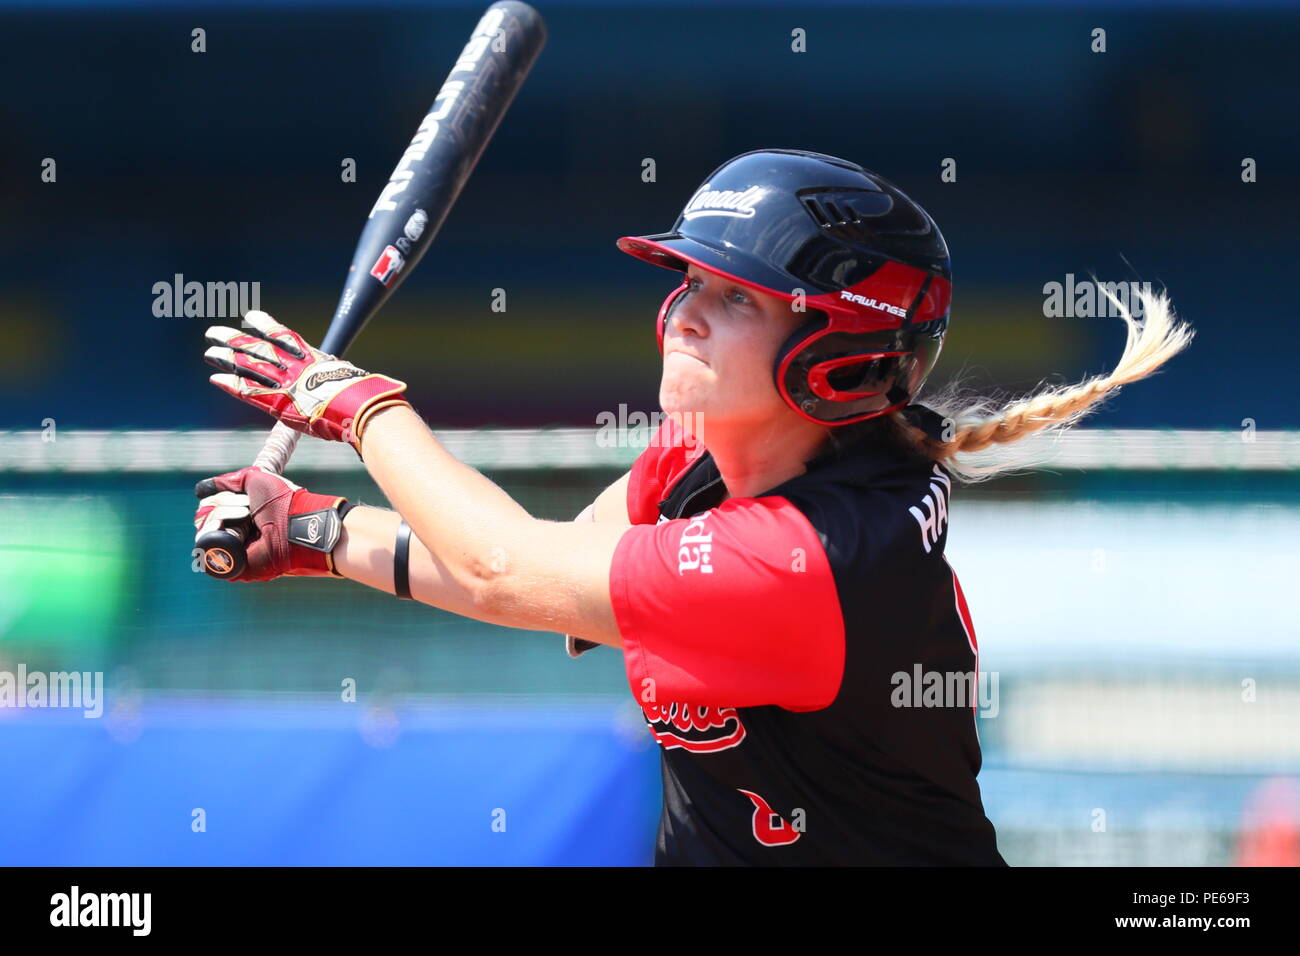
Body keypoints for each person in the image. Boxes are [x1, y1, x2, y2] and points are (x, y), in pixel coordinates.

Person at [194, 148, 1193, 865]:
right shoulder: (701, 456)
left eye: (738, 299)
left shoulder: (807, 555)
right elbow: (542, 563)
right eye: (689, 282)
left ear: (835, 351)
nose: (684, 312)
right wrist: (315, 532)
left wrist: (361, 407)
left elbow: (511, 570)